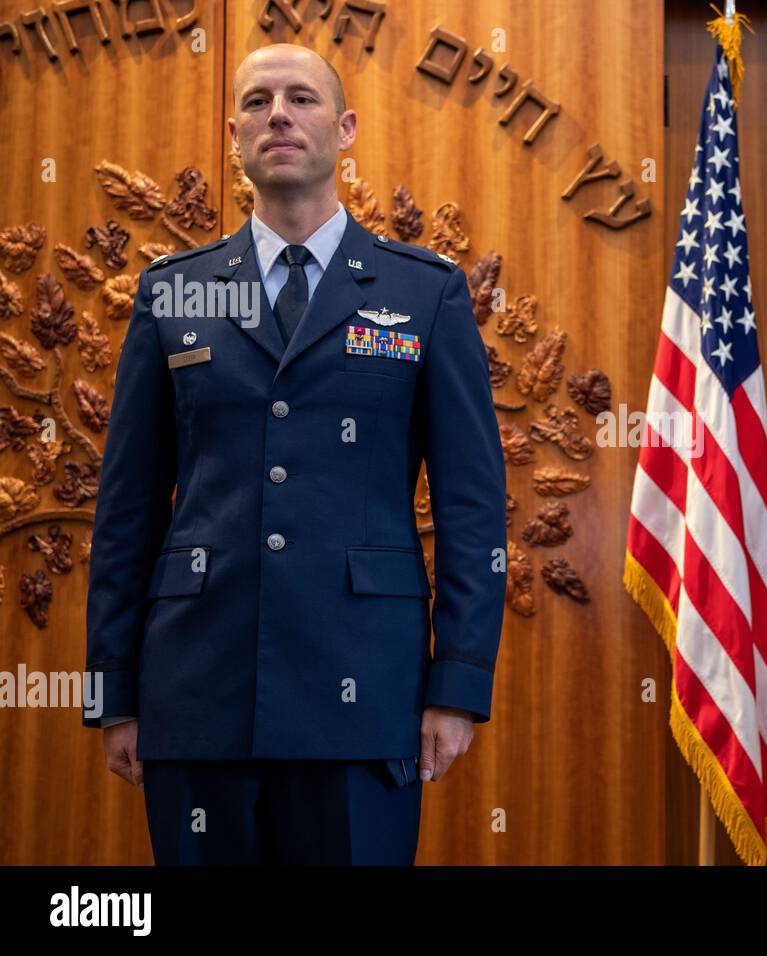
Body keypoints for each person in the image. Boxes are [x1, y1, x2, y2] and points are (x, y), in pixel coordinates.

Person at [82, 43, 507, 865]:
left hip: (363, 693)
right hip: (197, 692)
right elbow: (127, 509)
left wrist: (458, 687)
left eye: (302, 99)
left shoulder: (424, 291)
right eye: (258, 101)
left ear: (344, 130)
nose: (279, 114)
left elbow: (472, 507)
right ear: (233, 134)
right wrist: (111, 693)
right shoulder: (177, 290)